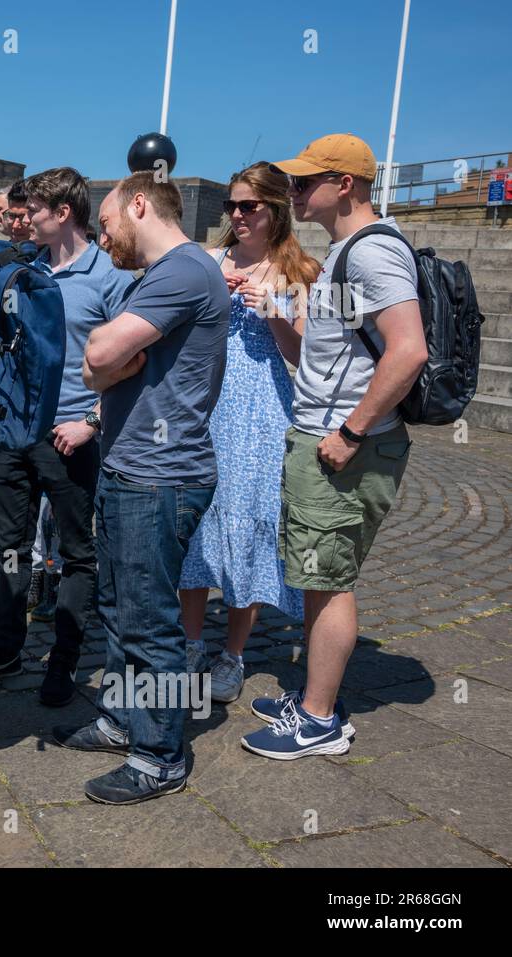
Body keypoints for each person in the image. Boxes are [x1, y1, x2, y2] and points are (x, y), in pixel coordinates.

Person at [241, 134, 427, 761]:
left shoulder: (373, 255)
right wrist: (274, 312)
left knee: (328, 578)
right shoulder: (347, 253)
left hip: (342, 445)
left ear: (343, 184)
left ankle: (319, 721)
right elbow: (313, 356)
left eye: (302, 183)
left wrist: (349, 433)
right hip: (321, 435)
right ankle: (315, 696)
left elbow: (409, 350)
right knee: (317, 577)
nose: (292, 194)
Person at [52, 171, 229, 805]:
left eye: (104, 224)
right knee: (121, 612)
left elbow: (99, 355)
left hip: (160, 478)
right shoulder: (158, 278)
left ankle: (160, 755)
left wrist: (110, 359)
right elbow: (102, 367)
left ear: (139, 204)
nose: (102, 238)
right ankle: (124, 720)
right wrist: (109, 363)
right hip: (129, 468)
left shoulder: (182, 272)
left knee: (152, 626)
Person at [0, 167, 133, 707]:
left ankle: (64, 662)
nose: (21, 218)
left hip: (71, 437)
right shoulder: (22, 268)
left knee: (77, 555)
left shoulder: (109, 276)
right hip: (14, 435)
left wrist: (92, 422)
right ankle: (5, 650)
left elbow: (133, 360)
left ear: (64, 214)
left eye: (32, 211)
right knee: (11, 548)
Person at [179, 163, 319, 704]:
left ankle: (233, 653)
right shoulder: (208, 260)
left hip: (260, 412)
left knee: (250, 526)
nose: (237, 215)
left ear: (275, 210)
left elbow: (304, 356)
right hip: (204, 406)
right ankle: (191, 642)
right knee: (194, 522)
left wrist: (275, 311)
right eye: (232, 206)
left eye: (248, 206)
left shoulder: (299, 269)